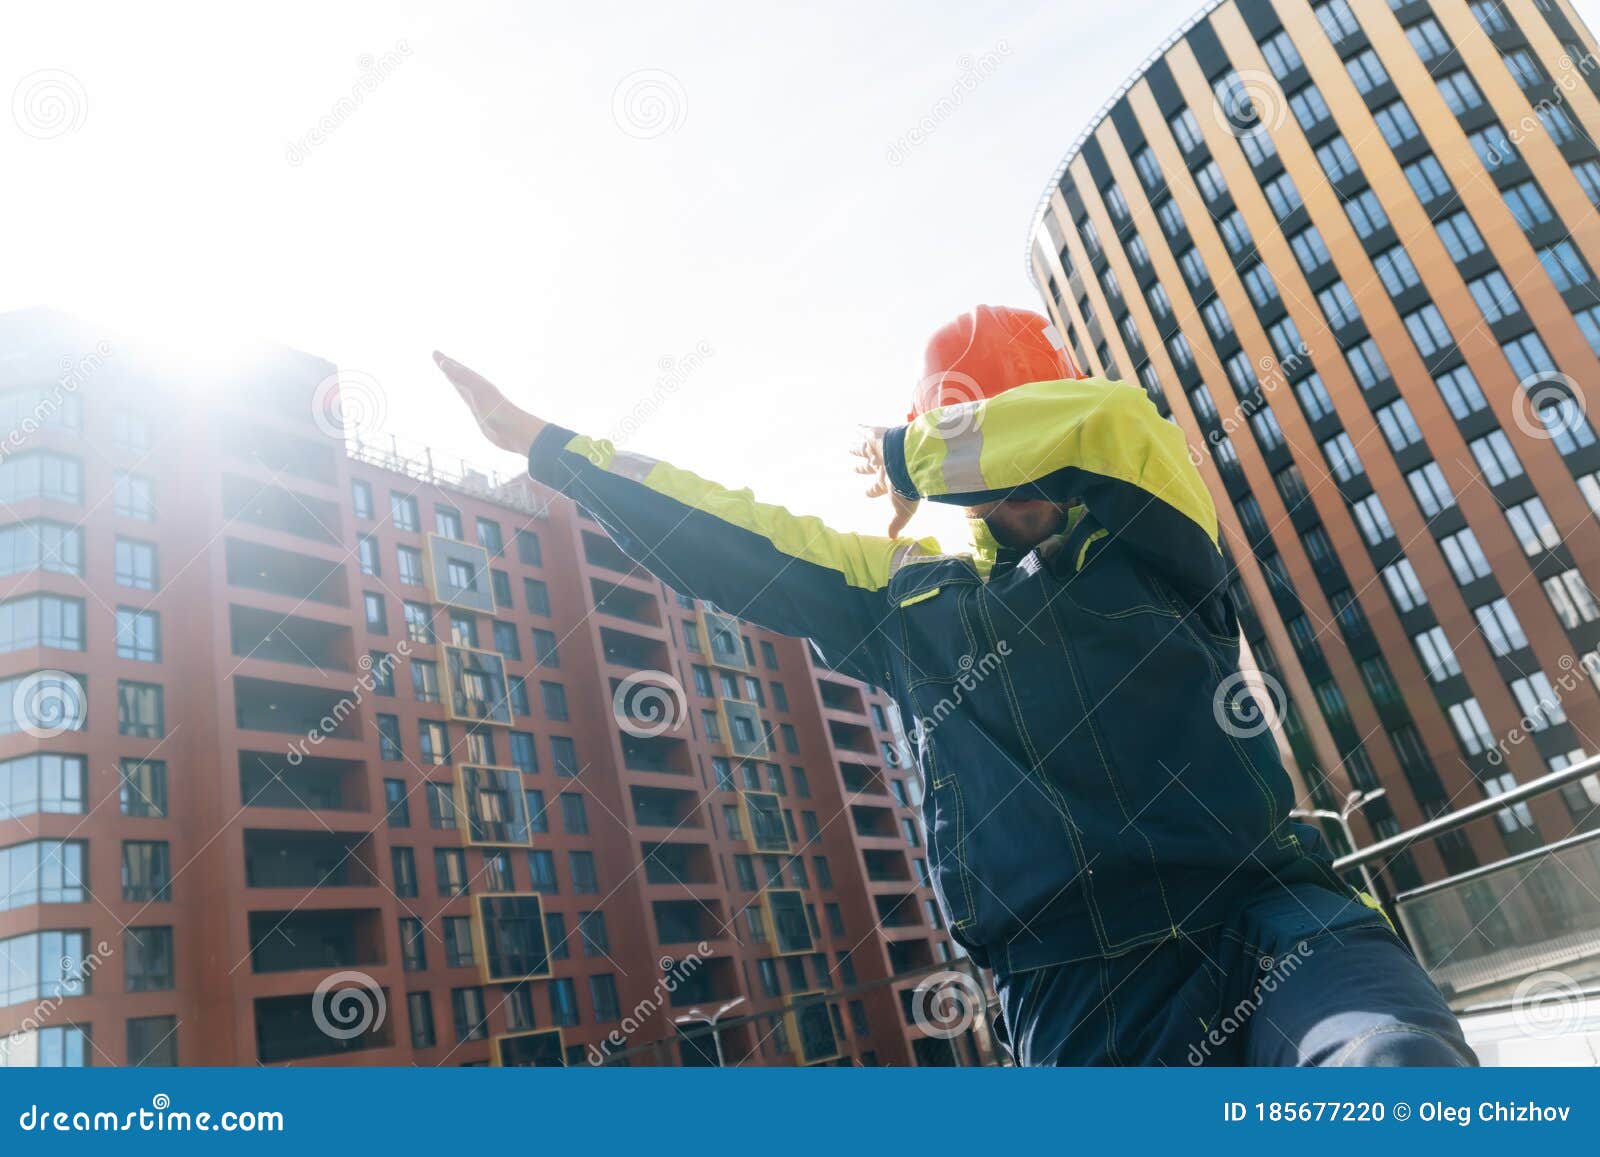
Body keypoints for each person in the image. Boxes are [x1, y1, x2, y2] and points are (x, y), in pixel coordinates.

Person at [435, 304, 1475, 1067]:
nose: (1008, 473)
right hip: (1074, 993)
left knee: (1394, 1069)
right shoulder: (908, 602)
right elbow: (732, 532)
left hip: (1265, 916)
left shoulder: (1148, 526)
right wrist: (549, 448)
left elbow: (1106, 420)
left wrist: (906, 451)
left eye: (1009, 431)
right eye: (984, 436)